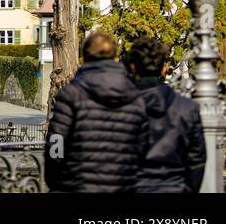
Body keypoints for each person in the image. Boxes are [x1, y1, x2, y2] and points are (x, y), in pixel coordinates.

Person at [45, 31, 149, 193]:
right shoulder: (136, 95)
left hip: (78, 184)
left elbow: (56, 141)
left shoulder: (71, 94)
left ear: (85, 58)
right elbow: (143, 146)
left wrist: (56, 180)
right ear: (115, 58)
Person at [125, 36, 206, 193]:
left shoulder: (118, 106)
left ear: (133, 67)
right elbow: (197, 160)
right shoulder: (187, 108)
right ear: (164, 67)